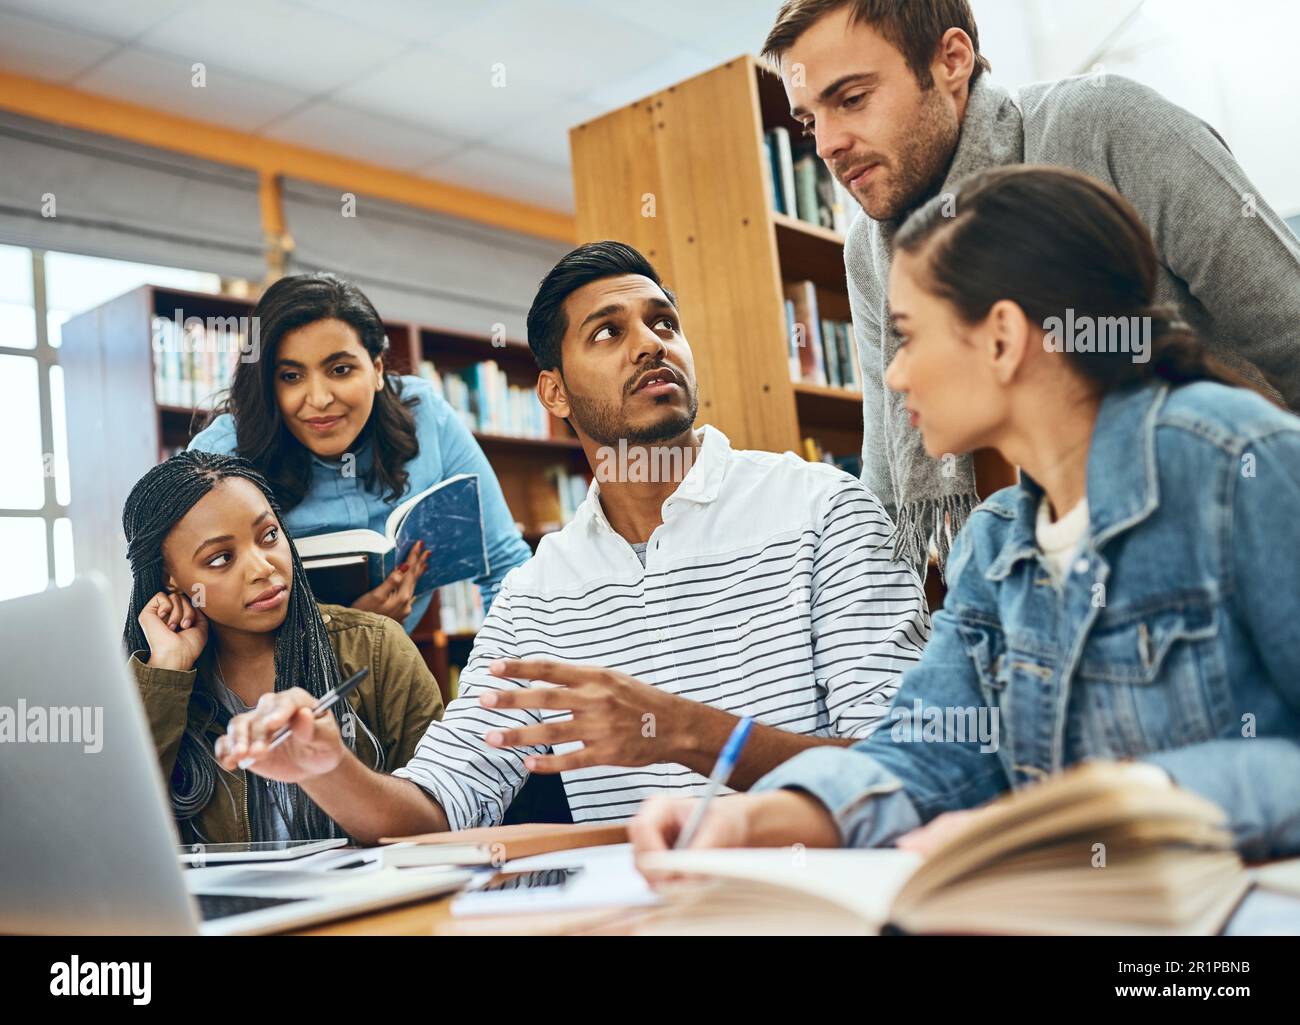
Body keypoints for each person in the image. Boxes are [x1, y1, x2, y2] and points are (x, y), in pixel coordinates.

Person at [629, 167, 1300, 862]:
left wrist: (1107, 810)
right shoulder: (995, 543)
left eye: (910, 336)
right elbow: (927, 752)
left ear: (1002, 338)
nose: (894, 373)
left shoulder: (1236, 463)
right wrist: (764, 817)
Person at [208, 241, 931, 842]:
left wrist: (682, 730)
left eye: (664, 323)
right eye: (609, 332)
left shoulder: (822, 510)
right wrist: (325, 765)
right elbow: (433, 807)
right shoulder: (537, 595)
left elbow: (912, 764)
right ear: (553, 393)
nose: (650, 343)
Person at [762, 0, 1300, 575]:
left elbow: (1289, 327)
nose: (827, 146)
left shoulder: (1104, 123)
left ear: (951, 60)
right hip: (1040, 582)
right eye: (810, 121)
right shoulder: (868, 251)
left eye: (852, 99)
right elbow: (889, 484)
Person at [123, 450, 444, 845]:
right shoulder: (153, 683)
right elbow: (116, 839)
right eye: (221, 558)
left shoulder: (377, 649)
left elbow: (441, 818)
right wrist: (168, 672)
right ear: (171, 579)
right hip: (225, 906)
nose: (263, 567)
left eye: (269, 536)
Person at [188, 272, 532, 631]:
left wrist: (497, 677)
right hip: (267, 683)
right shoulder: (221, 455)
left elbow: (508, 568)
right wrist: (355, 631)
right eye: (291, 376)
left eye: (340, 370)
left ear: (378, 368)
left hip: (392, 676)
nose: (319, 400)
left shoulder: (426, 415)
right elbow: (195, 614)